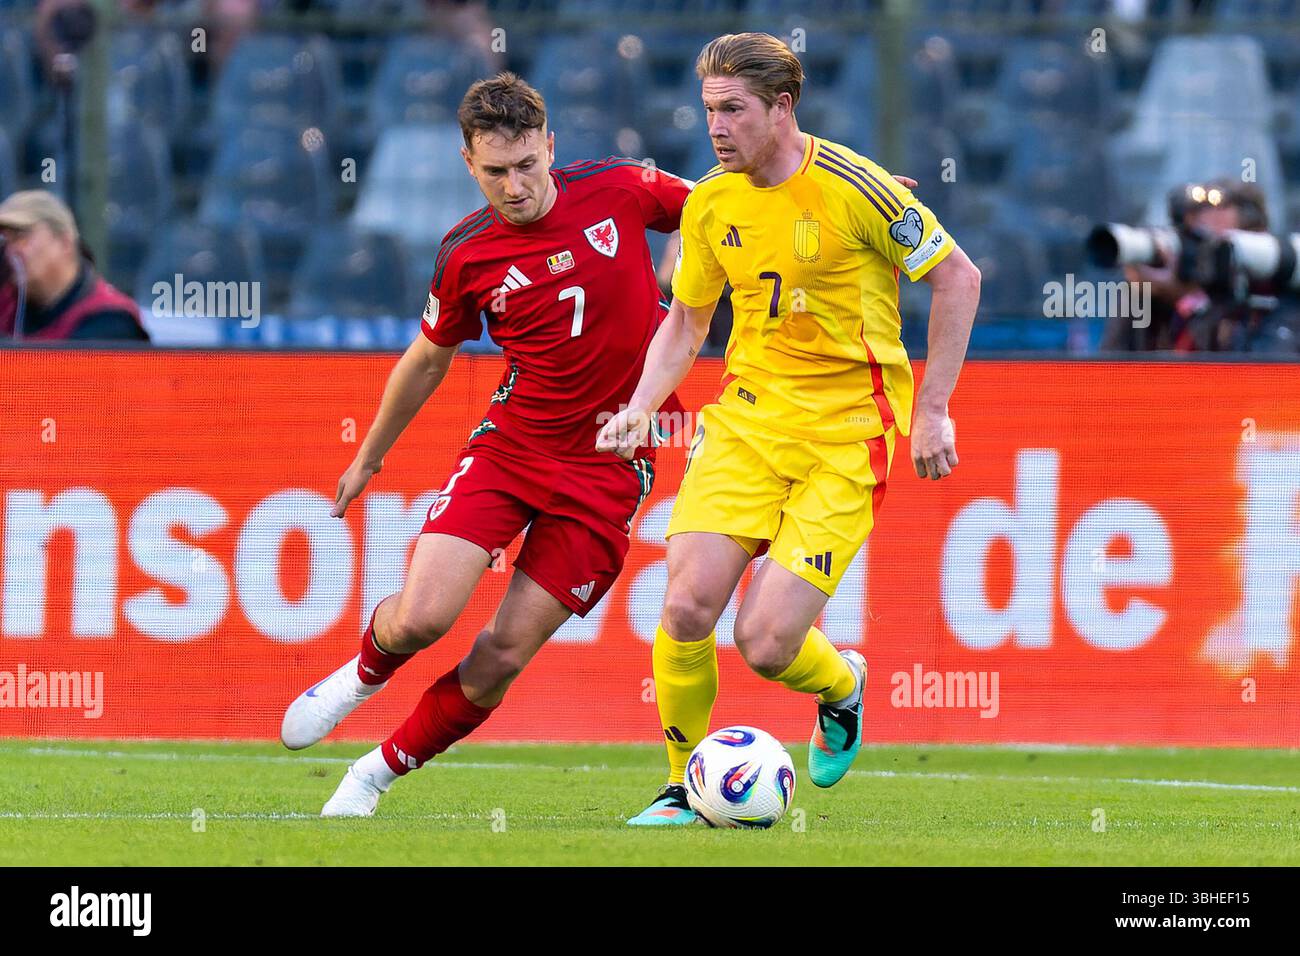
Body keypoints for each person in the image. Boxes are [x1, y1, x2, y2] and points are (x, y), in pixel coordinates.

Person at [279, 72, 693, 817]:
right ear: (468, 164)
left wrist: (835, 195)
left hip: (609, 469)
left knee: (501, 656)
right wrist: (370, 455)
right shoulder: (466, 253)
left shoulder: (623, 189)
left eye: (527, 165)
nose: (515, 186)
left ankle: (372, 774)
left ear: (550, 147)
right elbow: (428, 359)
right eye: (496, 172)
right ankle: (360, 678)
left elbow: (737, 204)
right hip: (512, 448)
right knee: (424, 618)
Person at [596, 33, 981, 826]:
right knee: (685, 607)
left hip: (847, 433)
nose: (716, 128)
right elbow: (686, 322)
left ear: (782, 107)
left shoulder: (858, 188)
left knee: (765, 644)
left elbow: (958, 277)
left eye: (733, 109)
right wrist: (639, 405)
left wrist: (934, 408)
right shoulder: (710, 201)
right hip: (746, 421)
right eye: (708, 111)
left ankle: (842, 686)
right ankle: (679, 785)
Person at [0, 190, 149, 342]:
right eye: (6, 240)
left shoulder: (110, 320)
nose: (11, 250)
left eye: (20, 237)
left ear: (64, 242)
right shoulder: (9, 305)